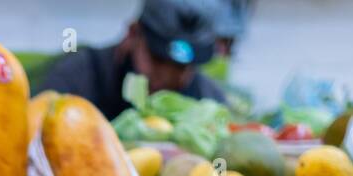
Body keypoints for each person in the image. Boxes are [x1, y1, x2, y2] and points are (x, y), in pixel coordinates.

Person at [35, 0, 229, 120]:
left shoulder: (210, 102)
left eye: (183, 67)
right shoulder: (76, 79)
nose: (168, 77)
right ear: (133, 34)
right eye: (158, 60)